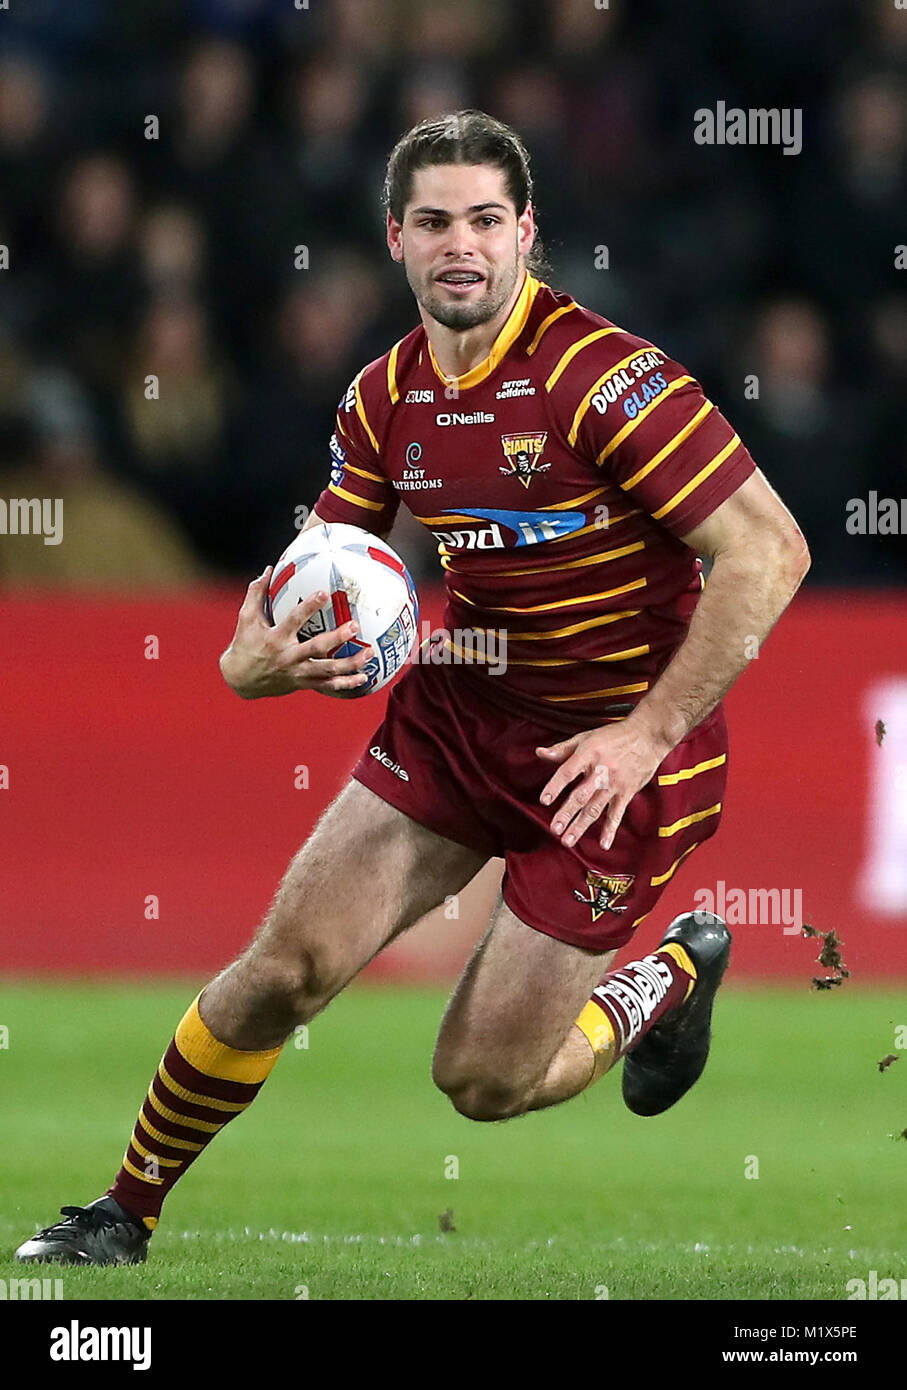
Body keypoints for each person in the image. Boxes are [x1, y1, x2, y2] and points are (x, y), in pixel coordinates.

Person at [16, 111, 810, 1266]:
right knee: (283, 968)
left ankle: (674, 973)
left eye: (486, 219)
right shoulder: (383, 397)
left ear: (526, 232)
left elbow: (770, 552)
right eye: (434, 220)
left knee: (482, 1081)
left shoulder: (607, 380)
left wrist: (646, 734)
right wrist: (255, 664)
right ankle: (121, 1212)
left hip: (615, 764)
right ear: (396, 236)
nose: (461, 244)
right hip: (461, 718)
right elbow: (322, 579)